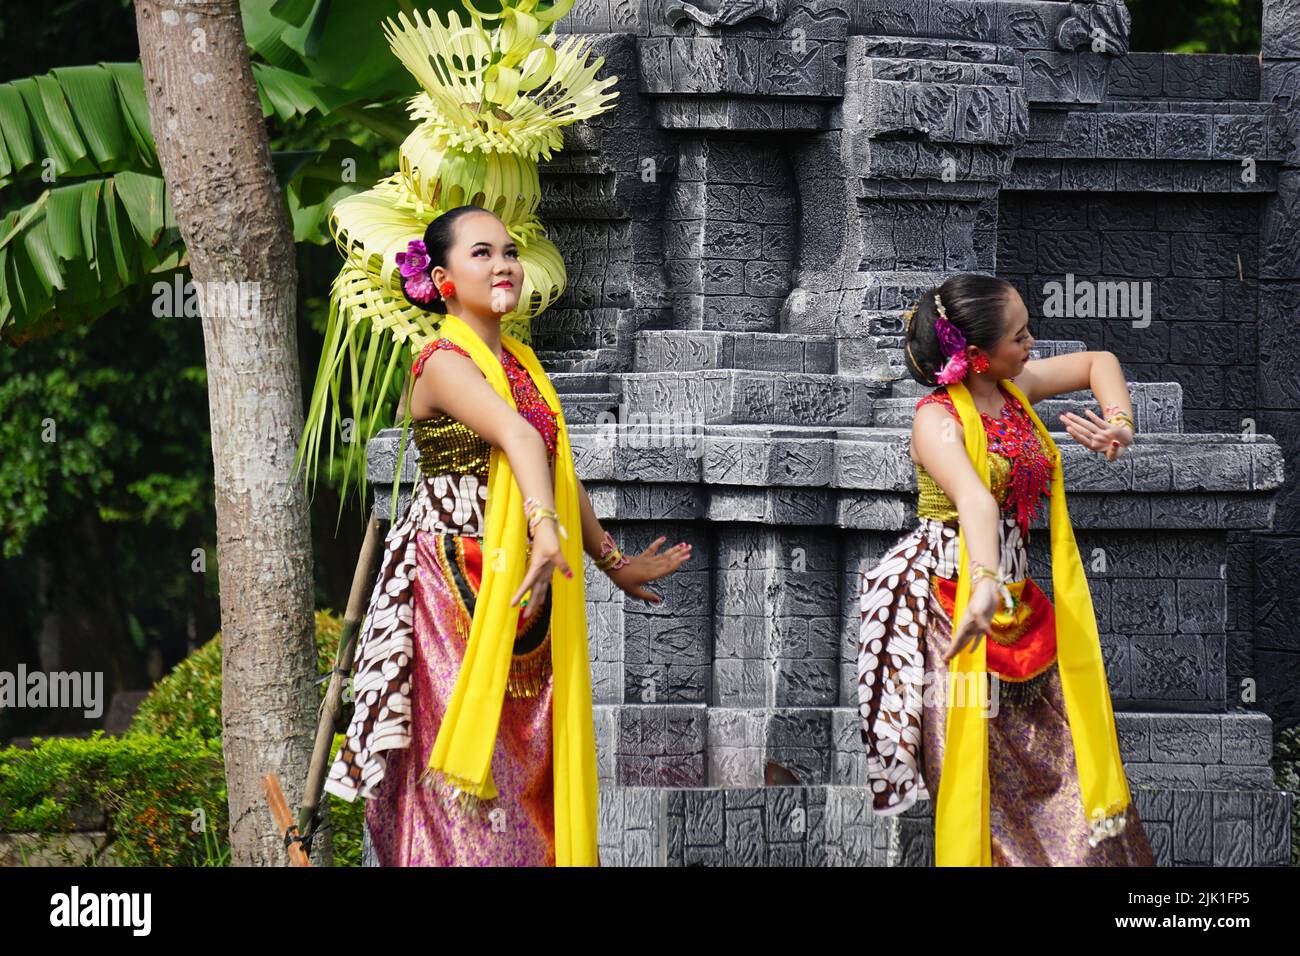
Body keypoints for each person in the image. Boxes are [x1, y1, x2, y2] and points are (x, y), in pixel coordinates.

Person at [324, 204, 691, 866]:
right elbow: (517, 436)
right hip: (450, 586)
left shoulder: (520, 362)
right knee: (452, 779)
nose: (503, 265)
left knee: (527, 770)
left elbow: (550, 462)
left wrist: (611, 560)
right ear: (442, 280)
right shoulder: (439, 361)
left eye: (510, 251)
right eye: (482, 253)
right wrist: (546, 531)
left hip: (521, 588)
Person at [857, 273, 1155, 866]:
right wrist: (984, 586)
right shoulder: (935, 421)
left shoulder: (1015, 387)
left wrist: (1120, 423)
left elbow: (1099, 361)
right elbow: (976, 502)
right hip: (949, 611)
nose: (1032, 344)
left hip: (1016, 608)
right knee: (984, 789)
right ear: (974, 355)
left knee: (1065, 766)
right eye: (1020, 336)